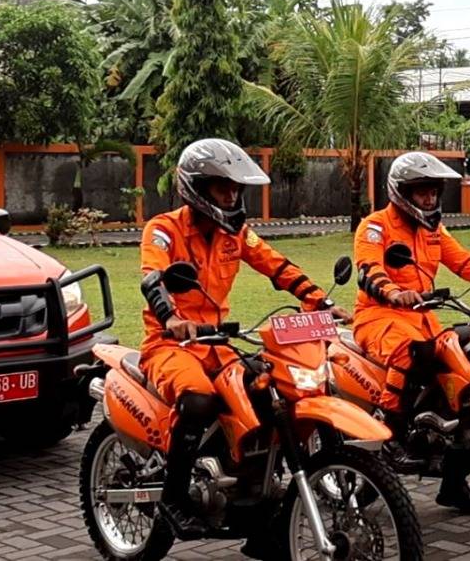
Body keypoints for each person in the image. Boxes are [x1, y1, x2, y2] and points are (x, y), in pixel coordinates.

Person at [139, 138, 343, 534]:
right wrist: (172, 318)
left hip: (218, 344)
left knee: (267, 393)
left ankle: (254, 498)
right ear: (197, 188)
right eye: (223, 188)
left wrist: (319, 301)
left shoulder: (237, 234)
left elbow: (277, 265)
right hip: (172, 344)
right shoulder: (163, 229)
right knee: (198, 401)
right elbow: (153, 277)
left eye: (236, 188)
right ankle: (172, 499)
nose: (232, 196)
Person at [352, 151, 470, 516]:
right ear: (402, 192)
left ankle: (454, 480)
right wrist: (393, 291)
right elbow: (368, 269)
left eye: (433, 192)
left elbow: (464, 261)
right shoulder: (375, 226)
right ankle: (391, 434)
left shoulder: (433, 230)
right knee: (412, 350)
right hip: (380, 317)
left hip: (424, 319)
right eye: (421, 192)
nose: (429, 199)